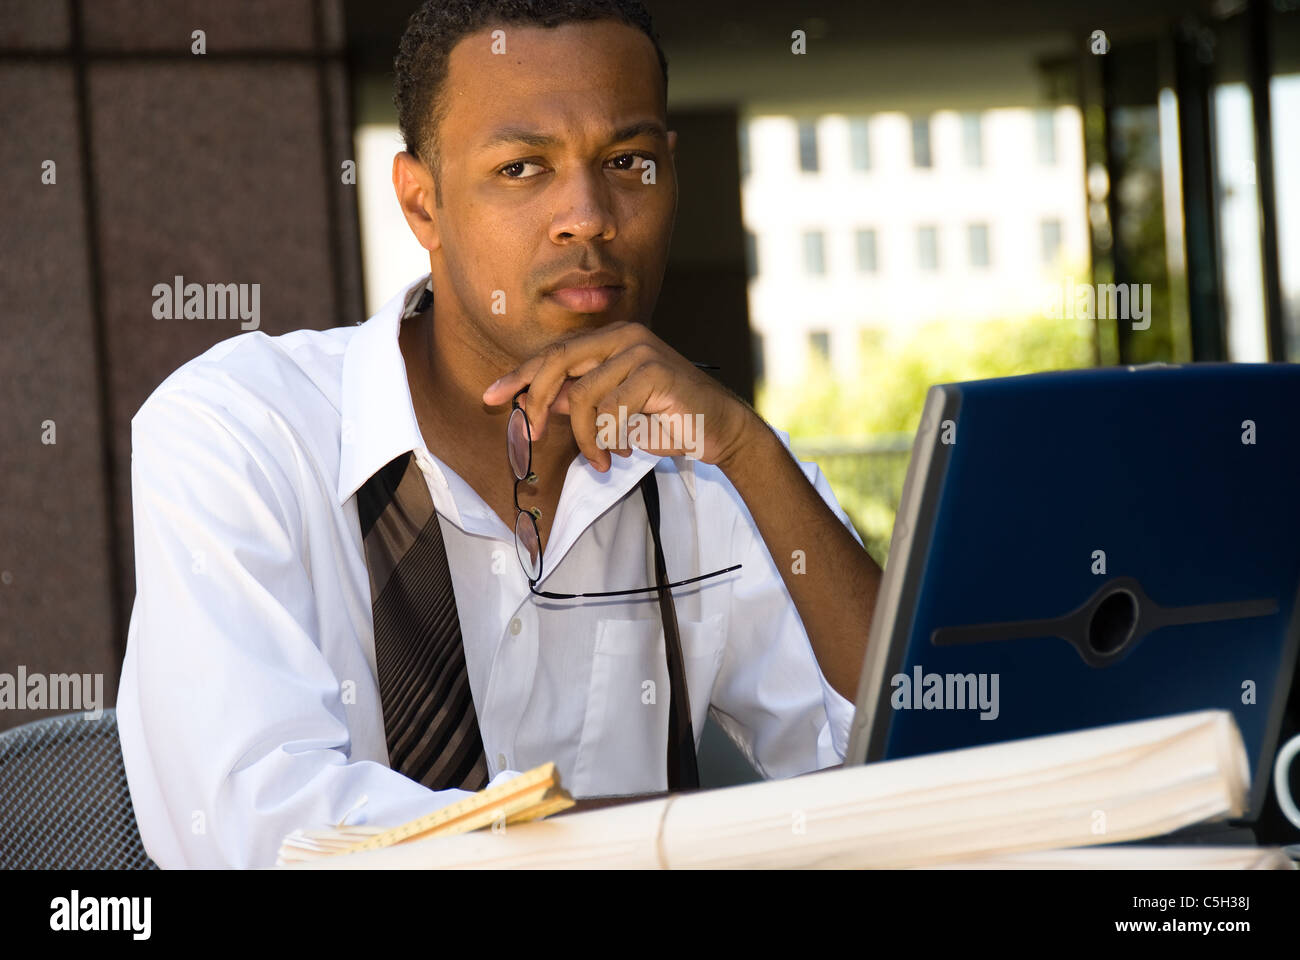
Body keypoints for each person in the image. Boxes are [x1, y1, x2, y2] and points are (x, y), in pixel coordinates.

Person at [116, 0, 882, 869]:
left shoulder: (708, 464)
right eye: (523, 168)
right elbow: (264, 834)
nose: (588, 215)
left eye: (627, 162)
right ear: (422, 204)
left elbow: (921, 769)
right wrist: (654, 846)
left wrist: (751, 452)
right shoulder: (243, 430)